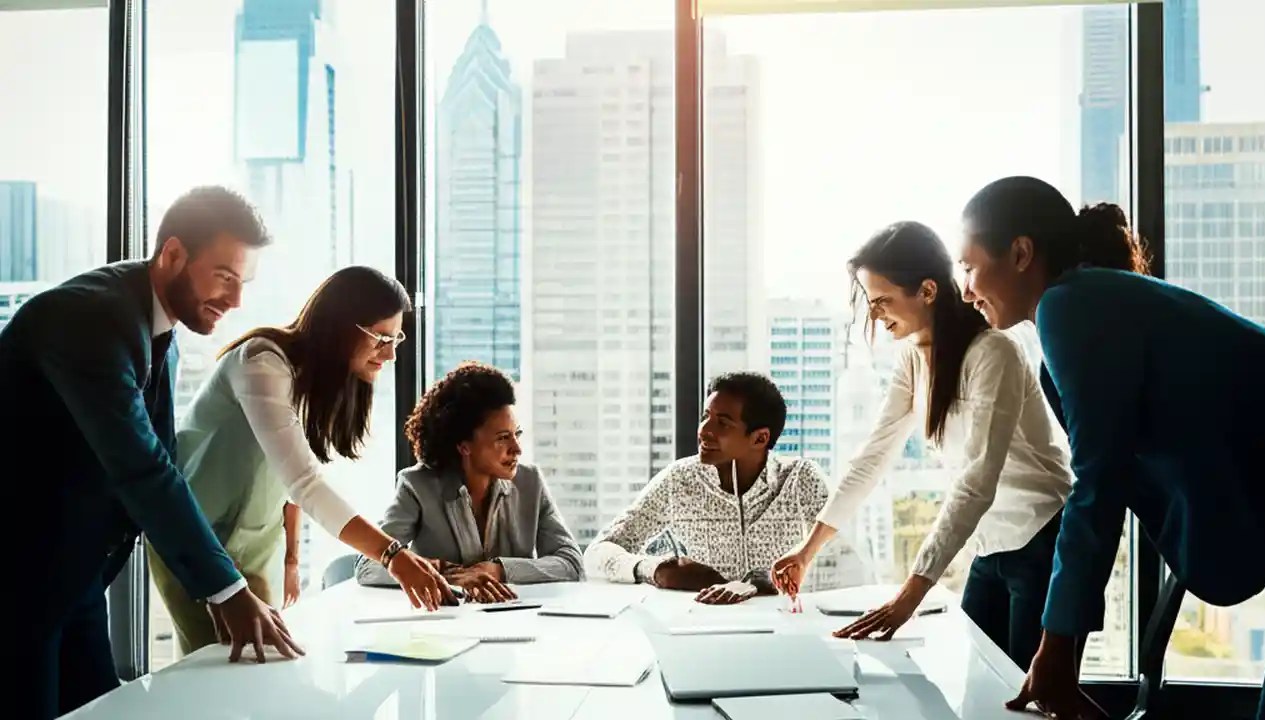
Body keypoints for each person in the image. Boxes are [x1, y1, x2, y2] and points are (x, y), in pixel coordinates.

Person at [957, 175, 1265, 720]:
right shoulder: (1083, 310)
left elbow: (1098, 487)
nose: (964, 289)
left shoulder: (1068, 307)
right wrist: (1060, 649)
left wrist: (1057, 649)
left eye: (967, 266)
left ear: (1020, 253)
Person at [0, 187, 304, 719]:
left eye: (244, 284)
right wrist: (227, 590)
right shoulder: (94, 319)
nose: (235, 302)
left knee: (101, 710)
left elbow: (163, 461)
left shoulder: (154, 324)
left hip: (72, 575)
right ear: (172, 254)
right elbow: (142, 466)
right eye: (225, 277)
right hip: (17, 579)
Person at [770, 222, 1075, 670]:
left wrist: (910, 595)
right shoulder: (913, 358)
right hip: (989, 545)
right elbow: (872, 457)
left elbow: (977, 481)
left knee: (1027, 697)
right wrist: (806, 551)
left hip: (1041, 540)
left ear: (927, 290)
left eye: (882, 302)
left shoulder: (995, 353)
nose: (876, 316)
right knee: (986, 688)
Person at [148, 266, 454, 656]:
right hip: (195, 538)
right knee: (215, 668)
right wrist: (393, 555)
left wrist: (292, 558)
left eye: (396, 338)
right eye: (380, 337)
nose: (391, 353)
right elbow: (304, 482)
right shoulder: (260, 363)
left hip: (260, 543)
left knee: (262, 663)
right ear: (342, 325)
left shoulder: (315, 383)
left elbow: (289, 479)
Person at [585, 372, 830, 605]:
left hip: (786, 629)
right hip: (697, 628)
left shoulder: (801, 479)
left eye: (723, 423)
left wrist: (761, 582)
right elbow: (597, 553)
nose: (704, 431)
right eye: (706, 417)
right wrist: (656, 570)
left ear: (760, 438)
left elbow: (842, 560)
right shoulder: (679, 479)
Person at [356, 362, 584, 600]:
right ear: (464, 446)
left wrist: (498, 569)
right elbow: (367, 566)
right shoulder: (417, 485)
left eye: (517, 434)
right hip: (440, 622)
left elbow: (571, 561)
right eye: (503, 438)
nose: (516, 449)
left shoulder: (531, 483)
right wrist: (441, 571)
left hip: (516, 618)